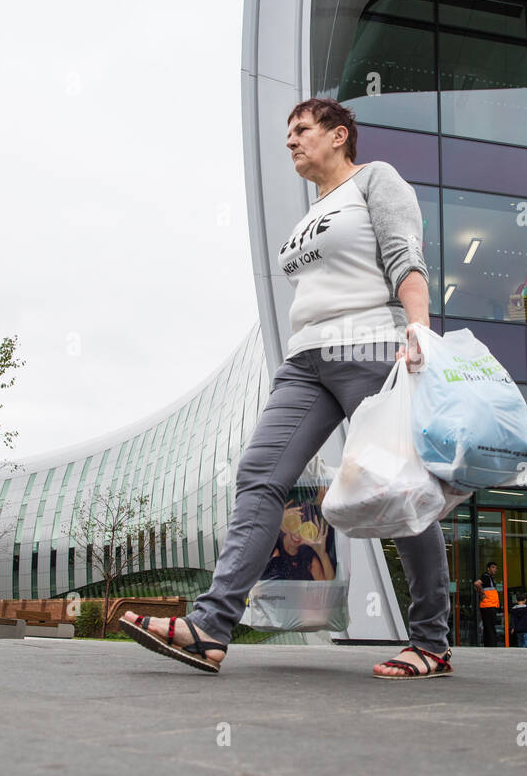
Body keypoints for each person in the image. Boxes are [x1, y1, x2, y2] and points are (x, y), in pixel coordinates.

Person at [119, 98, 452, 679]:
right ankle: (211, 626)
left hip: (368, 346)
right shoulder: (311, 212)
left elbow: (406, 257)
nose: (292, 140)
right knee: (260, 474)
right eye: (289, 133)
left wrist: (418, 329)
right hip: (305, 361)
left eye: (302, 129)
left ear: (339, 135)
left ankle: (430, 642)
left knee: (399, 489)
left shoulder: (376, 180)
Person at [474, 561, 501, 648]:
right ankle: (492, 645)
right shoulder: (486, 576)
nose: (495, 569)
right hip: (488, 606)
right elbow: (476, 584)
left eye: (496, 568)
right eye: (493, 567)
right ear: (488, 568)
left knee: (488, 627)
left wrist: (481, 593)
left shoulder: (490, 578)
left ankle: (488, 645)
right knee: (490, 627)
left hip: (489, 605)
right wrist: (482, 593)